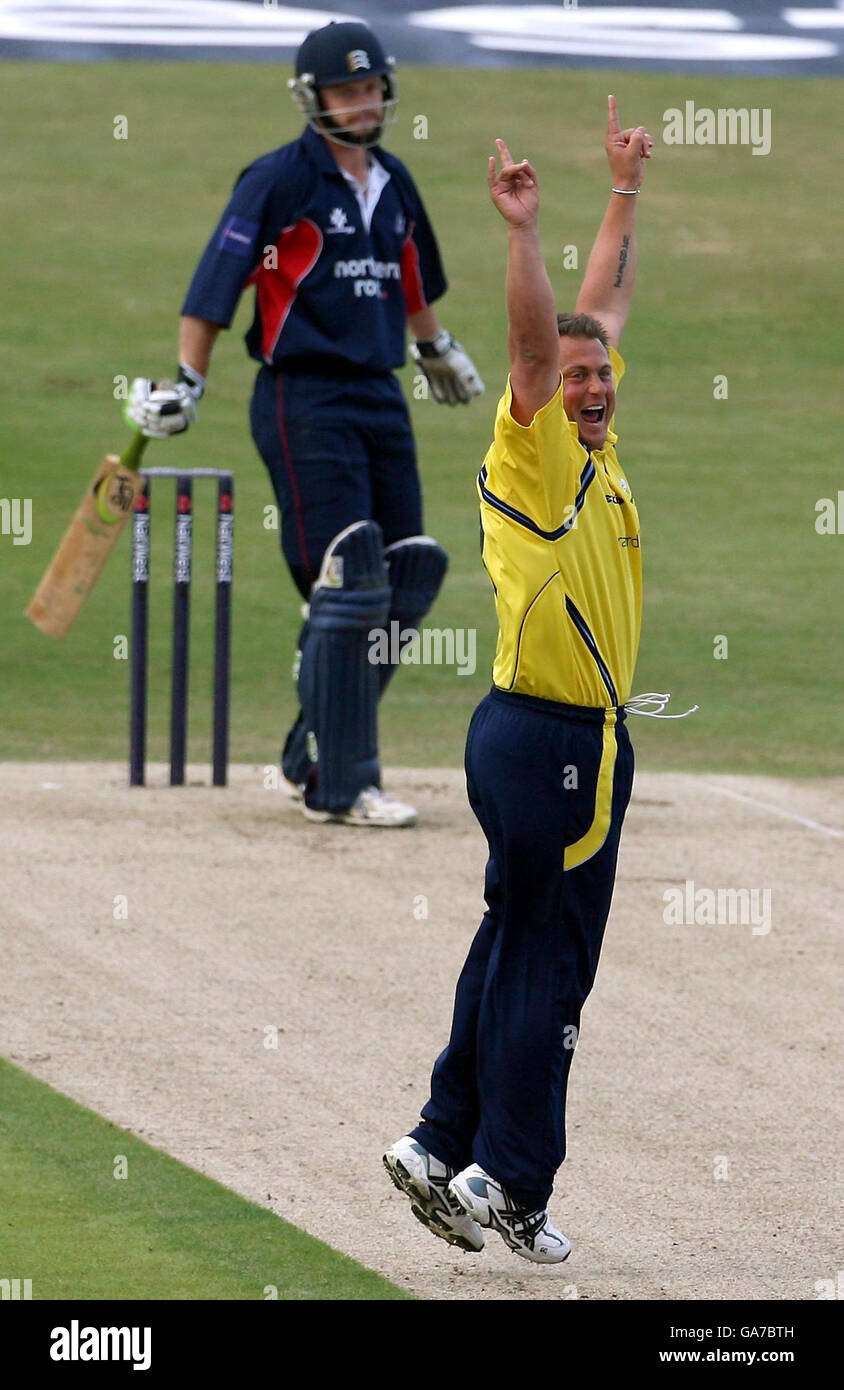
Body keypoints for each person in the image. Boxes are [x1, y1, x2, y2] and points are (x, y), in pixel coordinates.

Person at [384, 98, 658, 1260]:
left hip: (527, 732)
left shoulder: (590, 446)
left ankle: (440, 1138)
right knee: (553, 964)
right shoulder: (534, 446)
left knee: (513, 938)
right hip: (558, 741)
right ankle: (511, 1180)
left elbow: (598, 309)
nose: (590, 385)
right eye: (575, 377)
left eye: (603, 375)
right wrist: (517, 234)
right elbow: (543, 344)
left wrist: (623, 191)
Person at [125, 20, 483, 827]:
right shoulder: (277, 180)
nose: (361, 104)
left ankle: (311, 740)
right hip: (302, 397)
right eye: (345, 91)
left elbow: (411, 271)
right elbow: (216, 283)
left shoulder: (392, 180)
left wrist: (434, 347)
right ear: (312, 97)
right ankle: (343, 785)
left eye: (370, 89)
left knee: (408, 572)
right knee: (349, 579)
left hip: (382, 394)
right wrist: (189, 378)